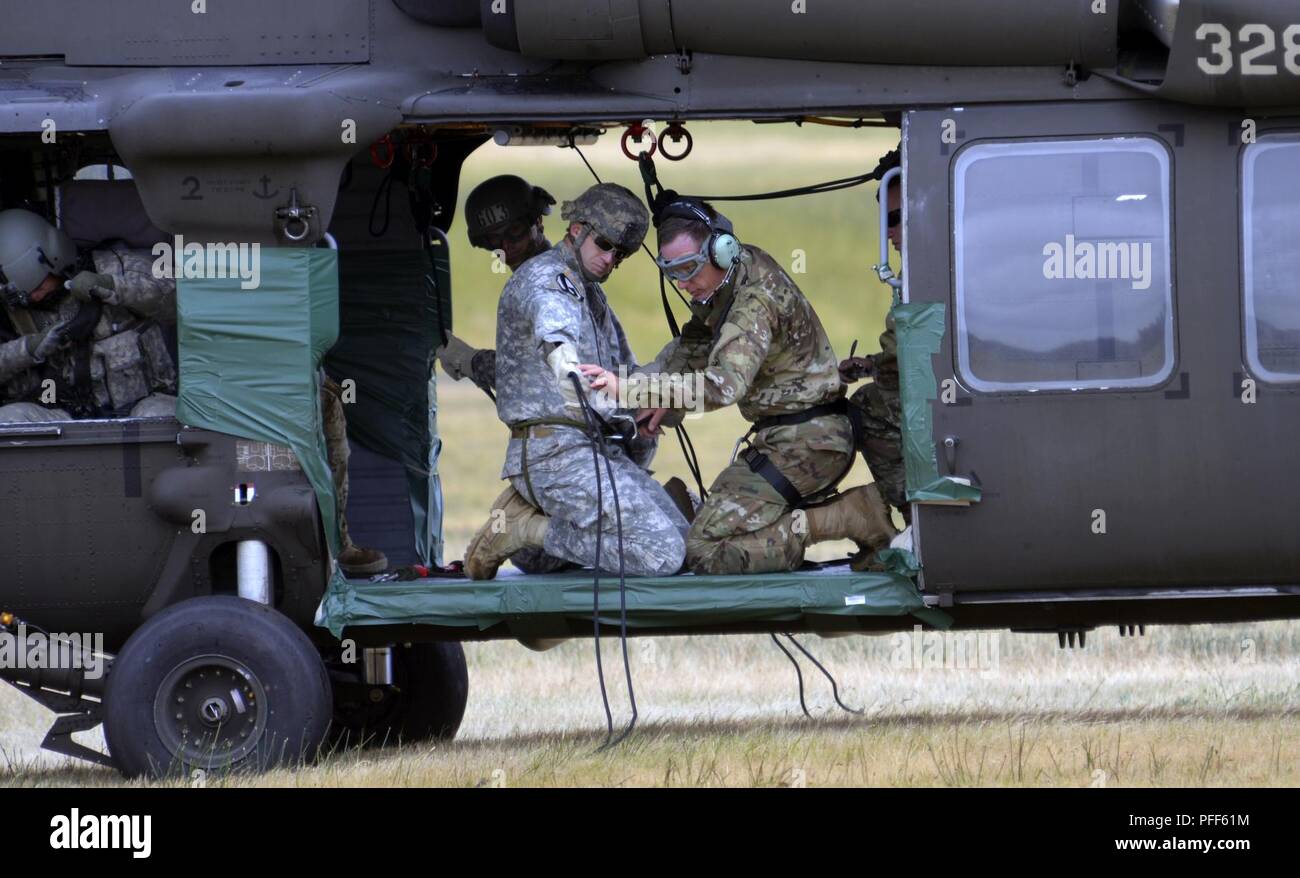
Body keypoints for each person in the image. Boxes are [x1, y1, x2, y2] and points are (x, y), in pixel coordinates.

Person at [582, 196, 895, 575]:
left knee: (704, 551)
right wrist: (657, 397)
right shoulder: (731, 277)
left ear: (721, 251)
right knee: (704, 535)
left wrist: (632, 390)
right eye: (672, 273)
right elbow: (693, 346)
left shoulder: (753, 301)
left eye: (690, 269)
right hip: (789, 436)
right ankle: (713, 514)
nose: (683, 285)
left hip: (807, 443)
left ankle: (846, 516)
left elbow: (723, 386)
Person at [463, 183, 688, 580]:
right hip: (559, 456)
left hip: (592, 451)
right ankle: (527, 528)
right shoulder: (552, 280)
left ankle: (531, 534)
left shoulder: (590, 293)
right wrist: (575, 379)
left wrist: (652, 403)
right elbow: (557, 341)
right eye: (603, 244)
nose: (609, 260)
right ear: (576, 229)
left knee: (684, 544)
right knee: (662, 555)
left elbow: (621, 374)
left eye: (620, 254)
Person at [0, 208, 176, 422]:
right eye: (28, 294)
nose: (35, 297)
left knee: (153, 416)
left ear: (53, 255)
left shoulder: (116, 267)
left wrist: (113, 287)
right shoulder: (21, 312)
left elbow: (174, 302)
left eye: (38, 286)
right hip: (68, 417)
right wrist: (28, 349)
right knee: (8, 418)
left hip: (144, 404)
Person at [435, 174, 556, 400]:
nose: (505, 245)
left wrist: (471, 361)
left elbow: (538, 376)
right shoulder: (553, 274)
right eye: (493, 239)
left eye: (515, 230)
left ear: (537, 221)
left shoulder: (543, 284)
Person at [839, 163, 908, 524]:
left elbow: (909, 356)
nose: (889, 232)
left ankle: (916, 510)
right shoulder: (913, 269)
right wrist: (870, 364)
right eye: (885, 220)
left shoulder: (926, 271)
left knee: (865, 407)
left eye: (895, 218)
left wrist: (875, 367)